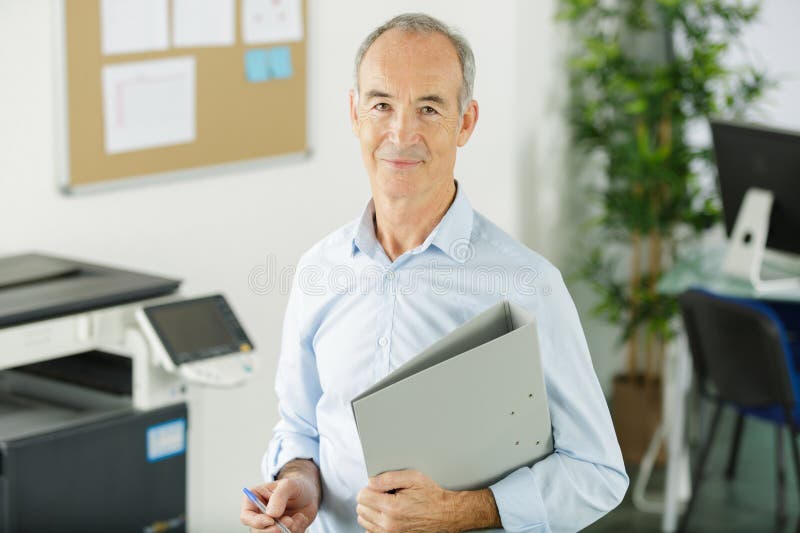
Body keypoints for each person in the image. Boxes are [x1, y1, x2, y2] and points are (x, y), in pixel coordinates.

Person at [241, 13, 628, 533]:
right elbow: (301, 429)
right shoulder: (319, 272)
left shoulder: (527, 286)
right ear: (355, 114)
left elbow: (597, 472)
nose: (402, 133)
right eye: (382, 105)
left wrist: (463, 511)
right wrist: (299, 484)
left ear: (465, 122)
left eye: (429, 107)